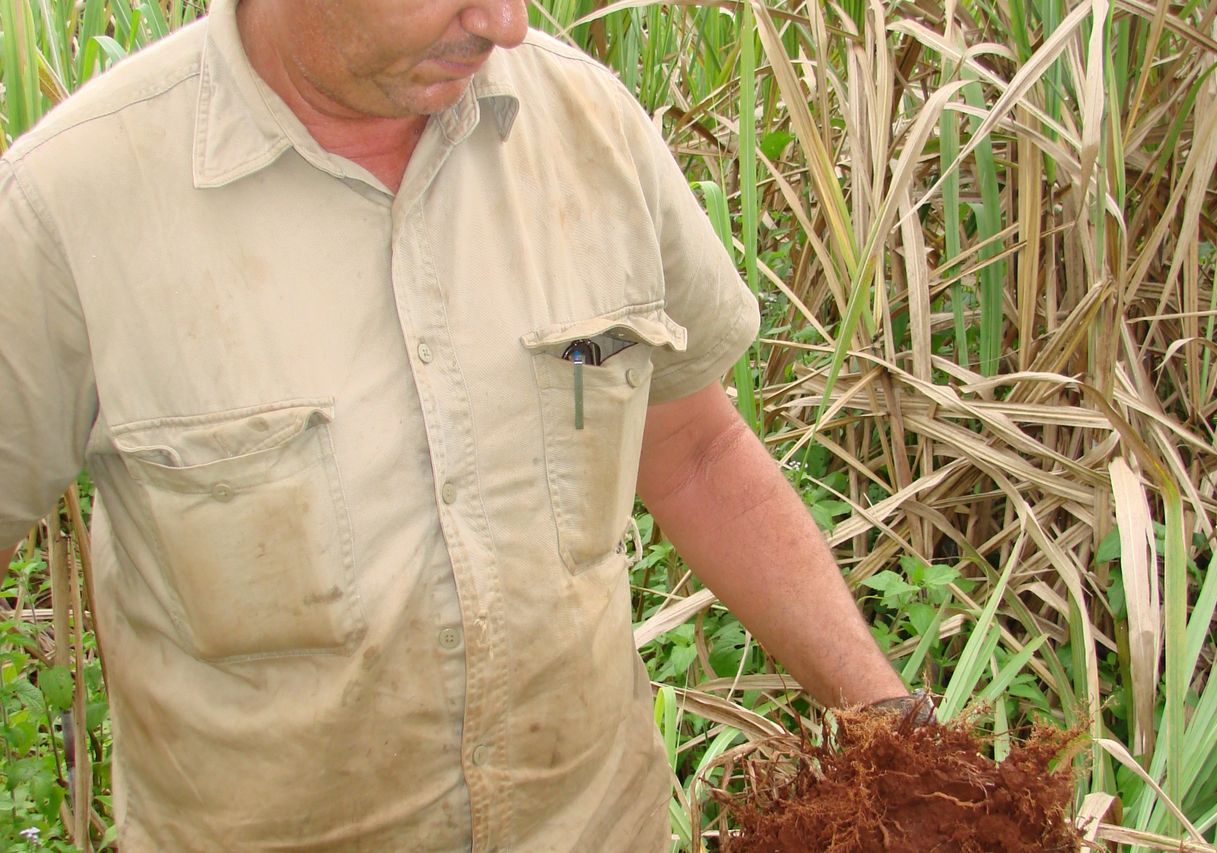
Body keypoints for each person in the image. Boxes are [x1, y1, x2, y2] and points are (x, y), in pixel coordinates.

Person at [0, 0, 910, 848]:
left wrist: (899, 741)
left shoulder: (587, 126)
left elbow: (697, 456)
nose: (505, 23)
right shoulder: (68, 207)